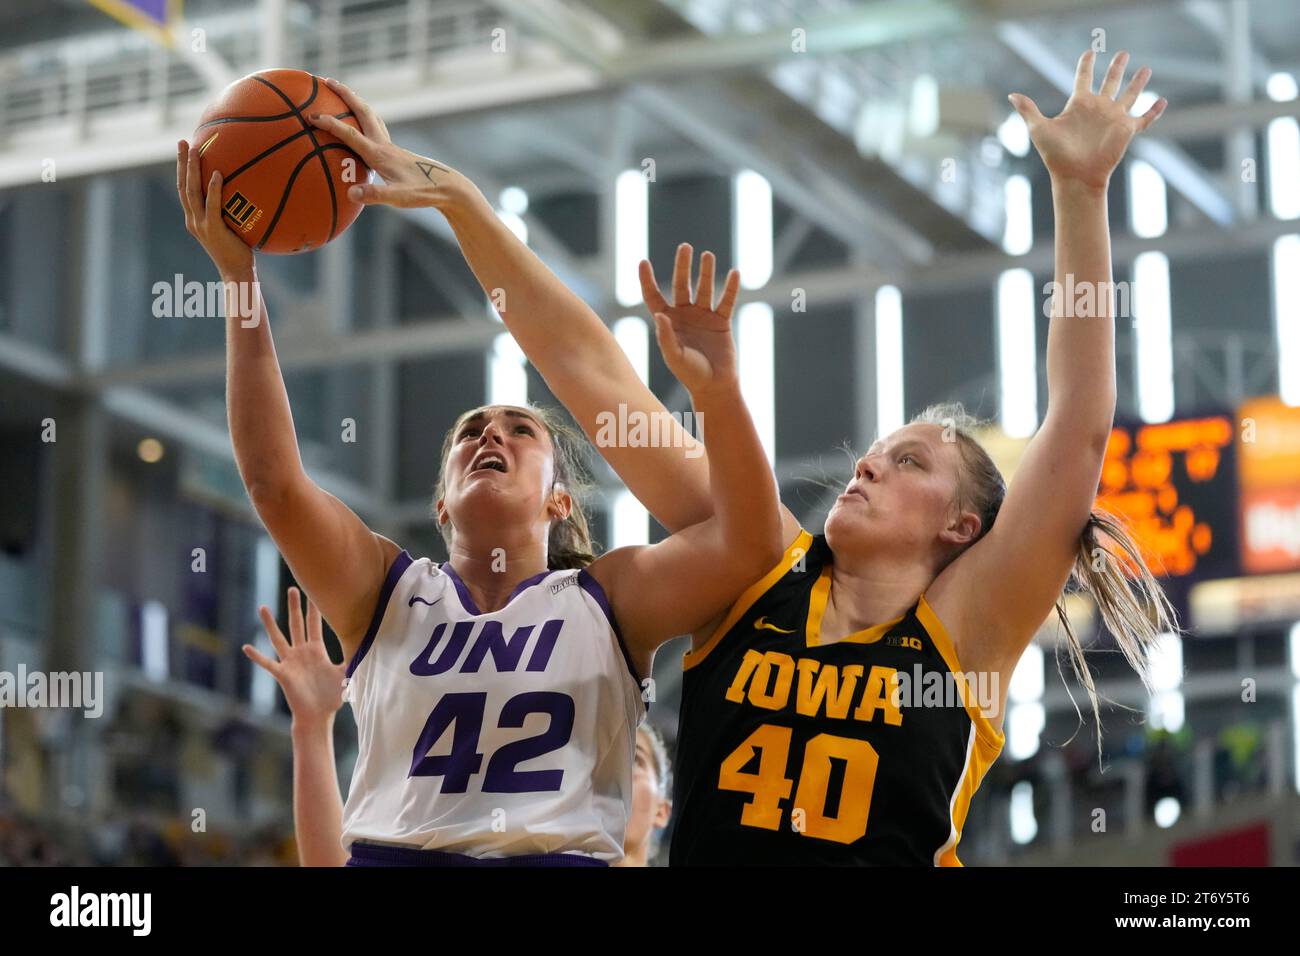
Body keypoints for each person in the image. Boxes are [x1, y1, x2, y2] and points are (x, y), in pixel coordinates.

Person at [313, 53, 1178, 864]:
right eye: (874, 453)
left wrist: (1078, 190)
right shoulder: (757, 570)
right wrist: (466, 207)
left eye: (908, 461)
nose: (867, 466)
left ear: (962, 525)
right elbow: (591, 374)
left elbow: (1079, 426)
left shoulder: (963, 636)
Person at [178, 127, 784, 865]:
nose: (489, 436)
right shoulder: (384, 592)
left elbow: (755, 545)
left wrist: (719, 396)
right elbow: (273, 483)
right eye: (470, 433)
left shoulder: (611, 599)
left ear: (561, 500)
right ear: (441, 504)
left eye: (519, 430)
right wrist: (240, 283)